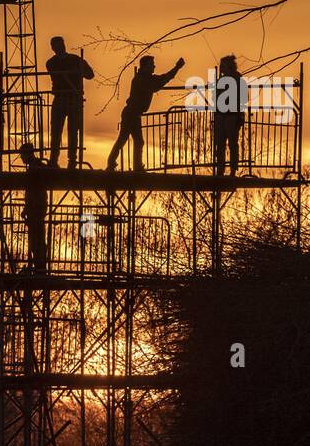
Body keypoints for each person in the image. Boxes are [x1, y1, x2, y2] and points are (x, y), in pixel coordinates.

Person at [106, 55, 185, 172]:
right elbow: (160, 81)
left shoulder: (144, 78)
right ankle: (124, 165)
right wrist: (176, 68)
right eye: (151, 64)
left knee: (130, 140)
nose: (154, 66)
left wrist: (176, 68)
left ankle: (116, 164)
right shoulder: (142, 80)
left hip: (132, 114)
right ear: (145, 66)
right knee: (130, 140)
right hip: (131, 114)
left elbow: (164, 78)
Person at [45, 36, 95, 168]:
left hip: (73, 99)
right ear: (53, 48)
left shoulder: (75, 60)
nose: (59, 48)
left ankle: (71, 160)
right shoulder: (51, 63)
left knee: (73, 130)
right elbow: (58, 77)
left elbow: (90, 74)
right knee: (56, 131)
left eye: (60, 45)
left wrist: (79, 70)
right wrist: (75, 72)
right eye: (56, 46)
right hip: (62, 98)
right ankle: (54, 160)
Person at [212, 55, 247, 176]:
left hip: (232, 116)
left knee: (232, 144)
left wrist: (240, 116)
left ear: (229, 67)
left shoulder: (238, 79)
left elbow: (243, 99)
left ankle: (233, 170)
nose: (221, 68)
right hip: (222, 116)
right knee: (220, 145)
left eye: (223, 65)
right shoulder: (221, 81)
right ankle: (220, 169)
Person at [19, 143, 49, 272]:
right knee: (36, 239)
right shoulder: (35, 166)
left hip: (37, 208)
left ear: (28, 154)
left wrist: (29, 208)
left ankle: (40, 267)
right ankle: (38, 266)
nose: (21, 157)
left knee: (37, 239)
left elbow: (35, 191)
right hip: (36, 208)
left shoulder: (36, 167)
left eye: (22, 154)